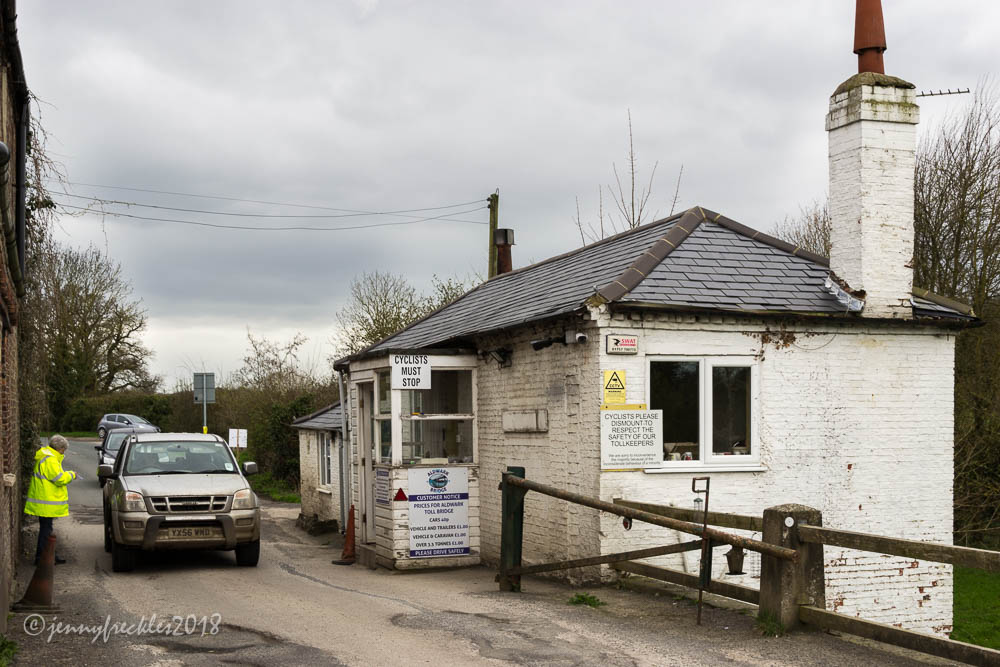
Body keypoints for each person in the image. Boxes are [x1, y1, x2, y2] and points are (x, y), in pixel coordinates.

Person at [25, 434, 77, 565]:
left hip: (43, 499)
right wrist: (71, 474)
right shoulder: (51, 460)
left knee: (47, 528)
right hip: (46, 501)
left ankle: (49, 555)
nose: (64, 452)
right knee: (46, 529)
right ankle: (42, 558)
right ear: (60, 448)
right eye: (64, 449)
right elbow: (59, 478)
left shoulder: (47, 457)